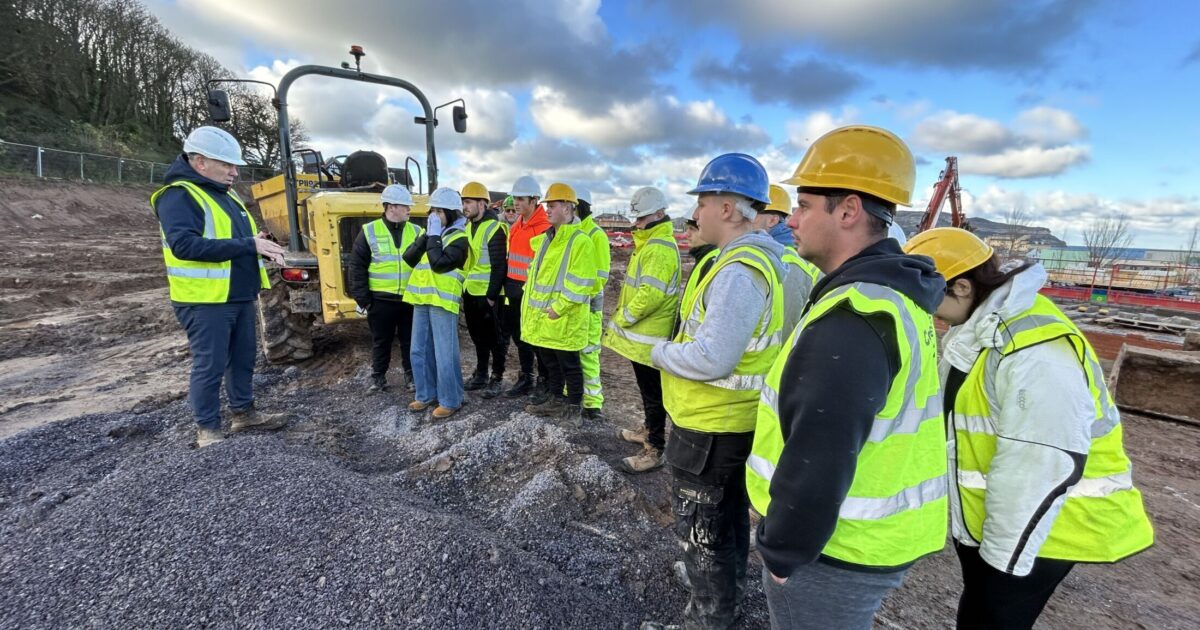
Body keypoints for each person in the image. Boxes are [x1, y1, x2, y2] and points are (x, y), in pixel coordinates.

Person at [745, 125, 948, 630]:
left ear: (849, 210)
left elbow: (822, 450)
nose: (790, 219)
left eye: (804, 204)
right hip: (866, 536)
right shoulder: (890, 295)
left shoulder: (854, 315)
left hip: (836, 549)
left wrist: (783, 551)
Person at [904, 227, 1155, 630]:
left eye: (929, 297)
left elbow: (1038, 466)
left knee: (991, 621)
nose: (926, 310)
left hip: (1045, 528)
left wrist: (1001, 560)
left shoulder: (1034, 352)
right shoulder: (977, 331)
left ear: (963, 287)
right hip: (1006, 522)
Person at [650, 153, 788, 629]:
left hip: (710, 427)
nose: (696, 214)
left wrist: (659, 352)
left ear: (728, 208)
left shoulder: (739, 270)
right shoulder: (768, 260)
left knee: (702, 533)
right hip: (736, 422)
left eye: (703, 201)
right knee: (724, 523)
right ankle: (723, 592)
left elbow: (713, 357)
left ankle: (709, 617)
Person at [151, 126, 288, 448]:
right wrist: (247, 244)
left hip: (238, 294)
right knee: (209, 364)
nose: (234, 171)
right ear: (199, 162)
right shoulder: (179, 195)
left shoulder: (226, 195)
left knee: (242, 359)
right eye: (227, 164)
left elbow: (233, 239)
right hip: (205, 300)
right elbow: (185, 245)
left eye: (234, 165)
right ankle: (208, 430)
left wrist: (261, 243)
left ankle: (244, 413)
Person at [602, 186, 681, 474]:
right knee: (647, 391)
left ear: (659, 214)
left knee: (653, 394)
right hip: (642, 337)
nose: (636, 223)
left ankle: (656, 448)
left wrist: (624, 317)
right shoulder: (650, 243)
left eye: (641, 218)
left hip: (648, 337)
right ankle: (649, 430)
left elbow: (651, 294)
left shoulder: (659, 247)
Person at [520, 183, 596, 426]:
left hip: (565, 318)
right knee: (550, 362)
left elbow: (581, 283)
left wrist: (559, 308)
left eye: (551, 206)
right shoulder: (548, 238)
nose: (547, 210)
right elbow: (536, 276)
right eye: (547, 206)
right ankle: (555, 400)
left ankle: (574, 409)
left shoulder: (580, 241)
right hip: (544, 316)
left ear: (567, 207)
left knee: (570, 365)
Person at [402, 187, 470, 419]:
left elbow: (438, 263)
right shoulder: (430, 233)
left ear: (451, 213)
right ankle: (425, 394)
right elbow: (409, 258)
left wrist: (433, 237)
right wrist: (427, 235)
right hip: (421, 299)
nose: (434, 215)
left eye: (439, 211)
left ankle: (451, 399)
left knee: (444, 353)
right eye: (432, 210)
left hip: (442, 302)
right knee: (418, 349)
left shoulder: (459, 239)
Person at [349, 184, 424, 393]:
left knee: (411, 342)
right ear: (391, 207)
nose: (410, 210)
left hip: (410, 299)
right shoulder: (369, 231)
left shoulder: (418, 231)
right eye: (405, 206)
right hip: (380, 300)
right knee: (381, 341)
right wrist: (363, 299)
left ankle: (412, 378)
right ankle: (378, 377)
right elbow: (357, 266)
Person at [502, 176, 551, 397]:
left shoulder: (545, 228)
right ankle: (526, 377)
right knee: (520, 336)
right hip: (514, 290)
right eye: (515, 199)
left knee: (537, 338)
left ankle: (543, 381)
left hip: (533, 292)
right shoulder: (516, 226)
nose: (516, 203)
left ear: (534, 200)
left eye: (521, 199)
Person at [460, 181, 509, 399]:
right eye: (463, 202)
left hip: (489, 295)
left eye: (468, 202)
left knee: (496, 339)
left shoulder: (494, 227)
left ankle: (496, 378)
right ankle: (480, 374)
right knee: (478, 337)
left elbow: (499, 266)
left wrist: (491, 297)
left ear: (482, 204)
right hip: (471, 291)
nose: (465, 207)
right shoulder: (469, 226)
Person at [763, 183, 822, 333]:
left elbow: (785, 329)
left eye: (754, 213)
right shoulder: (766, 254)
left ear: (773, 220)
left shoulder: (787, 263)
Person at [575, 186, 611, 418]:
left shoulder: (596, 234)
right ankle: (573, 394)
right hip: (572, 305)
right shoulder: (571, 231)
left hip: (587, 306)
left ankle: (592, 403)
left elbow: (600, 275)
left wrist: (578, 295)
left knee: (587, 353)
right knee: (571, 352)